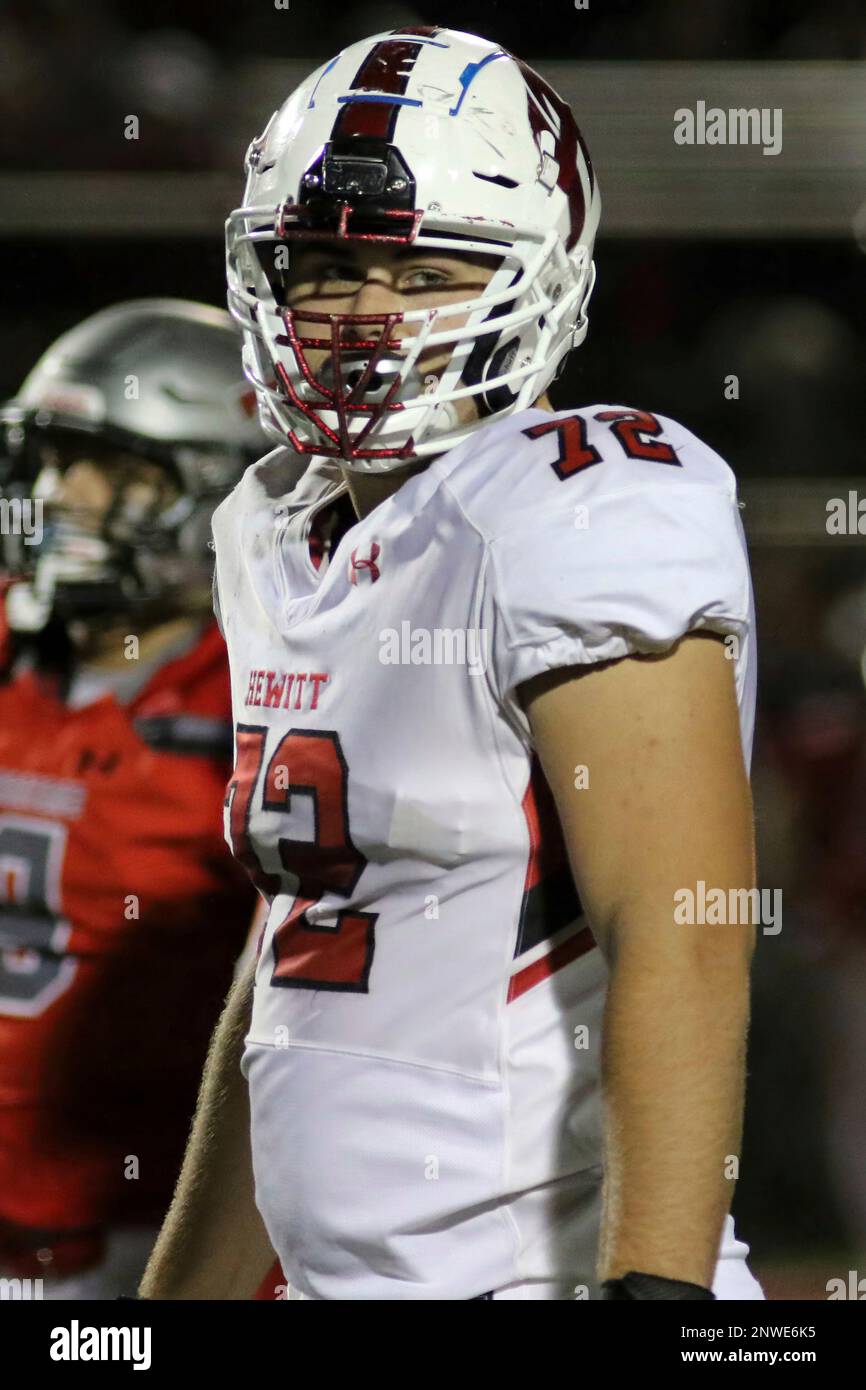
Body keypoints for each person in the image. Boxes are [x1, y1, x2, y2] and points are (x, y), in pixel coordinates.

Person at [142, 27, 764, 1301]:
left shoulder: (577, 499)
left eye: (421, 270)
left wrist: (654, 1294)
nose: (362, 318)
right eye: (320, 265)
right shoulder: (270, 528)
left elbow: (681, 932)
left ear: (539, 280)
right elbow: (297, 958)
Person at [0, 299, 275, 1298]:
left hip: (140, 1242)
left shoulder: (257, 701)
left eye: (110, 468)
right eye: (53, 460)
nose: (60, 494)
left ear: (211, 485)